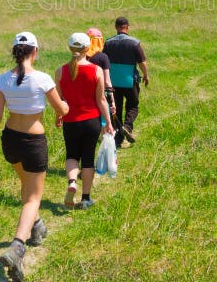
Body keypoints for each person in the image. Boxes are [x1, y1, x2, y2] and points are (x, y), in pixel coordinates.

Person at [0, 32, 69, 282]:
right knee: (32, 198)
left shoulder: (3, 79)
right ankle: (17, 247)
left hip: (10, 140)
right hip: (33, 142)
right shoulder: (42, 79)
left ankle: (37, 227)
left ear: (15, 52)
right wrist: (66, 107)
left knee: (27, 187)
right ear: (35, 52)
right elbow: (61, 108)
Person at [55, 33, 114, 209]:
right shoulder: (96, 70)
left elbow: (59, 100)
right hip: (91, 121)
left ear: (69, 48)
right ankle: (86, 198)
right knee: (88, 158)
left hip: (70, 120)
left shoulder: (60, 71)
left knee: (72, 155)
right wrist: (108, 122)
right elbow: (101, 99)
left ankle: (72, 182)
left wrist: (58, 116)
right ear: (88, 49)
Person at [103, 16, 149, 147]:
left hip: (113, 82)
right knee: (133, 105)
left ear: (116, 27)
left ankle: (117, 139)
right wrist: (146, 76)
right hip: (130, 81)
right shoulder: (134, 43)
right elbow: (142, 62)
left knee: (115, 109)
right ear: (127, 27)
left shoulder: (108, 43)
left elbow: (104, 62)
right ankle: (127, 127)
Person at [85, 27, 116, 119]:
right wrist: (112, 102)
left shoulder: (81, 57)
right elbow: (107, 82)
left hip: (83, 96)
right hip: (100, 95)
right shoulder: (103, 57)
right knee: (103, 123)